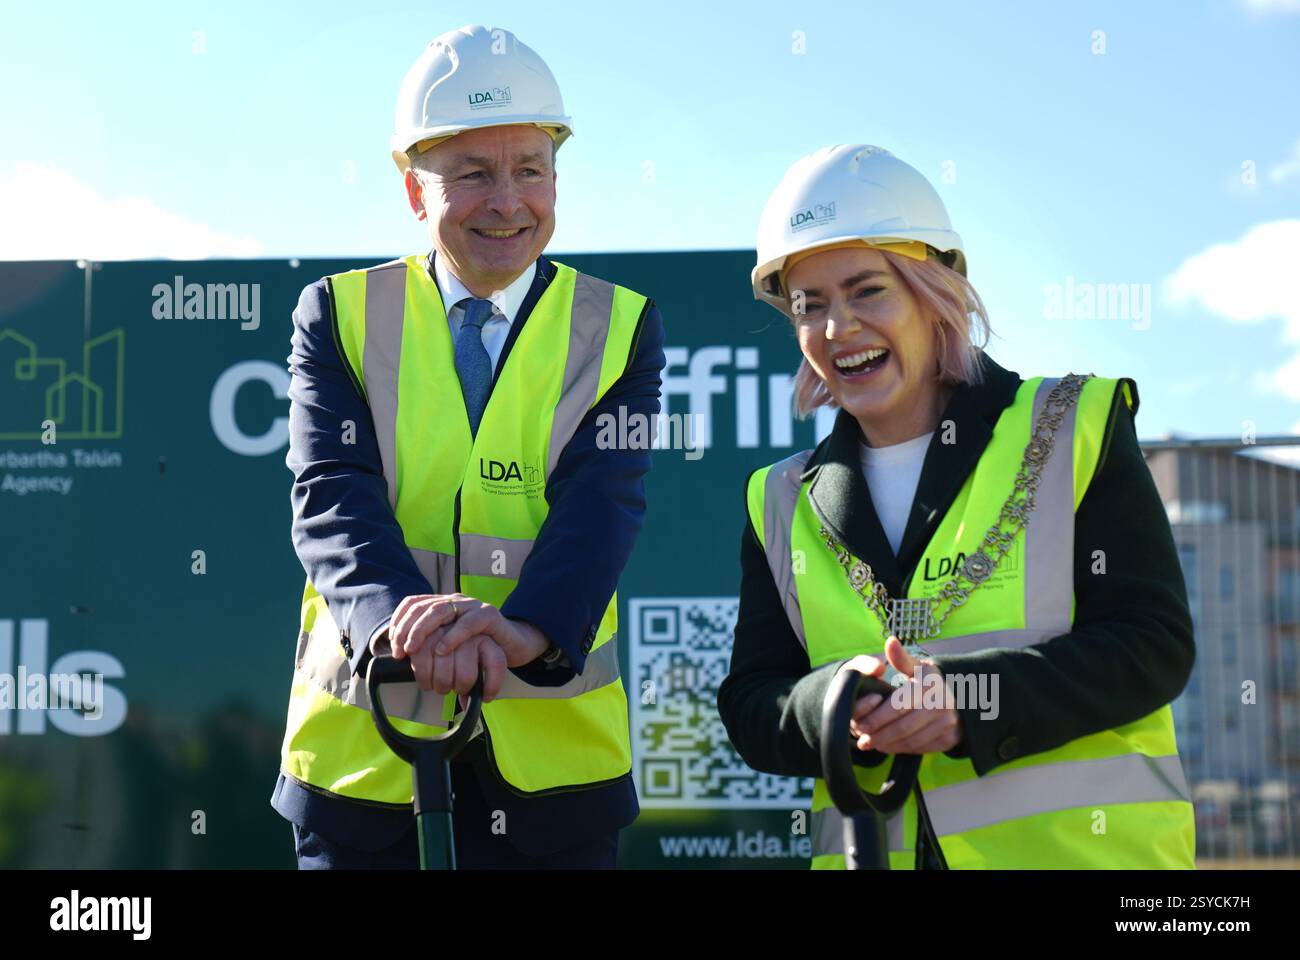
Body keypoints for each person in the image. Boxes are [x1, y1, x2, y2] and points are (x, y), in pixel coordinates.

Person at [716, 144, 1196, 869]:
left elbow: (1152, 646)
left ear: (932, 290)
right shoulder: (777, 499)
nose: (836, 328)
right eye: (809, 305)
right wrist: (836, 703)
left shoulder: (1076, 425)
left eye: (866, 290)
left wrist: (967, 703)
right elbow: (754, 706)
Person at [271, 25, 665, 869]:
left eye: (530, 170)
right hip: (365, 770)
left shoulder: (620, 327)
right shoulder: (337, 313)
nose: (508, 201)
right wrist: (397, 632)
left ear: (557, 177)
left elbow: (603, 505)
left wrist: (527, 631)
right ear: (417, 193)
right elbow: (331, 493)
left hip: (556, 779)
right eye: (473, 174)